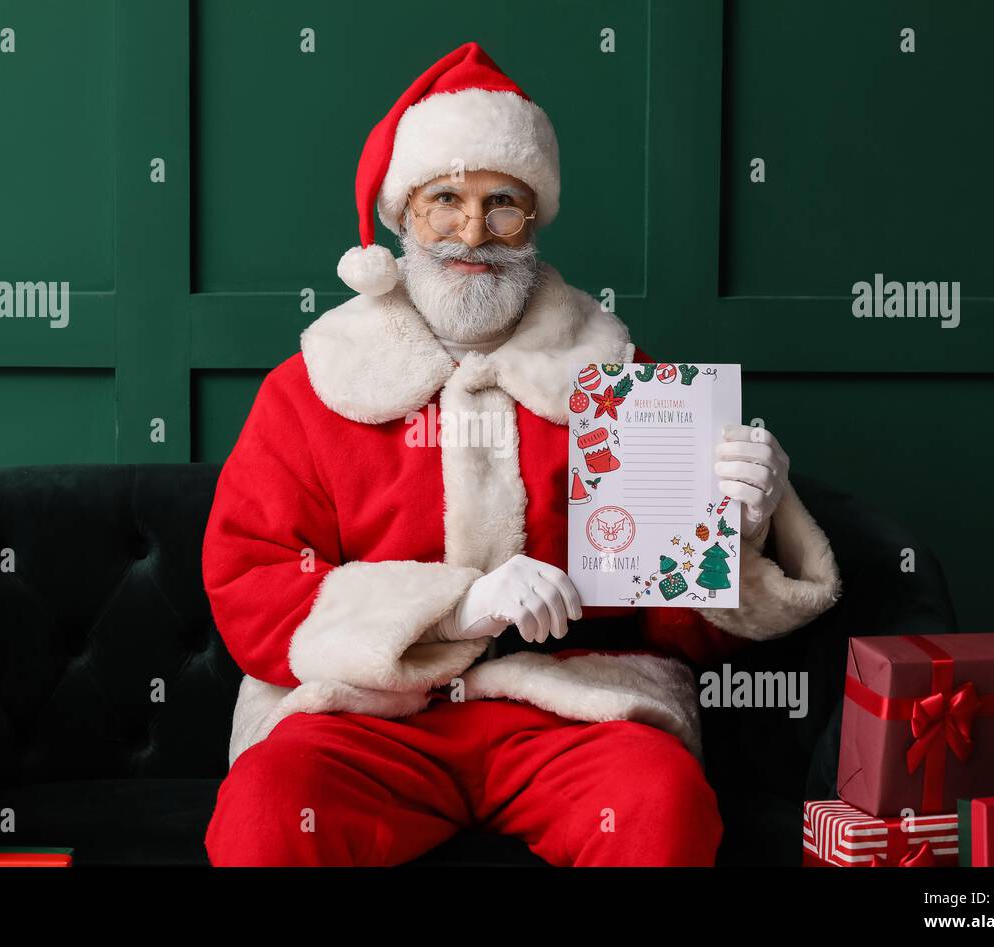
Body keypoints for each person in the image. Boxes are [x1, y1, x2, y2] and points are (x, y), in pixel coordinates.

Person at [202, 42, 841, 866]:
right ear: (403, 220)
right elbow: (253, 587)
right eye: (444, 201)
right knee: (265, 813)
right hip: (366, 717)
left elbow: (680, 629)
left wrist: (733, 530)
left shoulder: (626, 383)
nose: (474, 232)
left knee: (659, 805)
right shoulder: (309, 388)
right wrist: (452, 612)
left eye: (502, 201)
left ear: (533, 217)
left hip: (568, 714)